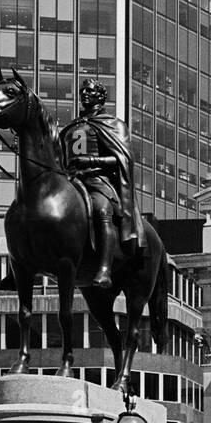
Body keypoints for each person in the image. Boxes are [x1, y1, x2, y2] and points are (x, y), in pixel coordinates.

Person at [59, 79, 144, 288]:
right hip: (70, 181)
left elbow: (123, 159)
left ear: (101, 96)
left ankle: (104, 268)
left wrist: (90, 161)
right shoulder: (70, 128)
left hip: (97, 181)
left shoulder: (113, 124)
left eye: (90, 91)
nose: (84, 94)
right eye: (82, 90)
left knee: (101, 210)